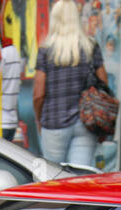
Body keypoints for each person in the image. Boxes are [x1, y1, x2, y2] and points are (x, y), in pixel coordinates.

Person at [34, 0, 106, 167]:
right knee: (79, 180)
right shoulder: (90, 46)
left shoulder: (45, 50)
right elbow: (103, 84)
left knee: (54, 179)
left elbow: (39, 94)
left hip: (53, 122)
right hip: (86, 123)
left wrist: (39, 119)